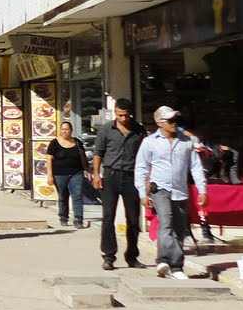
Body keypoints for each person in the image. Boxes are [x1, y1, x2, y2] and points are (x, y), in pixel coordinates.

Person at [135, 105, 207, 277]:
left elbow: (195, 167)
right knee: (166, 222)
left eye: (176, 120)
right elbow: (141, 168)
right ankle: (163, 260)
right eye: (171, 120)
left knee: (179, 228)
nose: (175, 124)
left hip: (181, 191)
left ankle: (176, 266)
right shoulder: (150, 142)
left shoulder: (186, 142)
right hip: (160, 189)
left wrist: (202, 189)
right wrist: (142, 194)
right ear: (160, 123)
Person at [91, 98, 146, 271]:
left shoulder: (139, 130)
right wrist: (96, 175)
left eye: (125, 115)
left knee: (133, 218)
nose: (122, 118)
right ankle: (108, 256)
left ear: (130, 114)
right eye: (119, 115)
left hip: (131, 177)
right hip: (110, 176)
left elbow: (145, 155)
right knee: (108, 216)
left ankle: (132, 255)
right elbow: (98, 153)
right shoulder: (106, 129)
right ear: (115, 112)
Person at [47, 121, 88, 228]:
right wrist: (50, 175)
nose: (65, 131)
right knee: (63, 195)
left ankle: (78, 218)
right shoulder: (54, 143)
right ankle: (63, 217)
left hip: (76, 173)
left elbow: (83, 158)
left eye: (67, 129)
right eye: (63, 129)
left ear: (71, 130)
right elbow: (49, 159)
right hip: (59, 174)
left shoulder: (77, 142)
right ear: (60, 130)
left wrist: (89, 171)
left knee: (77, 196)